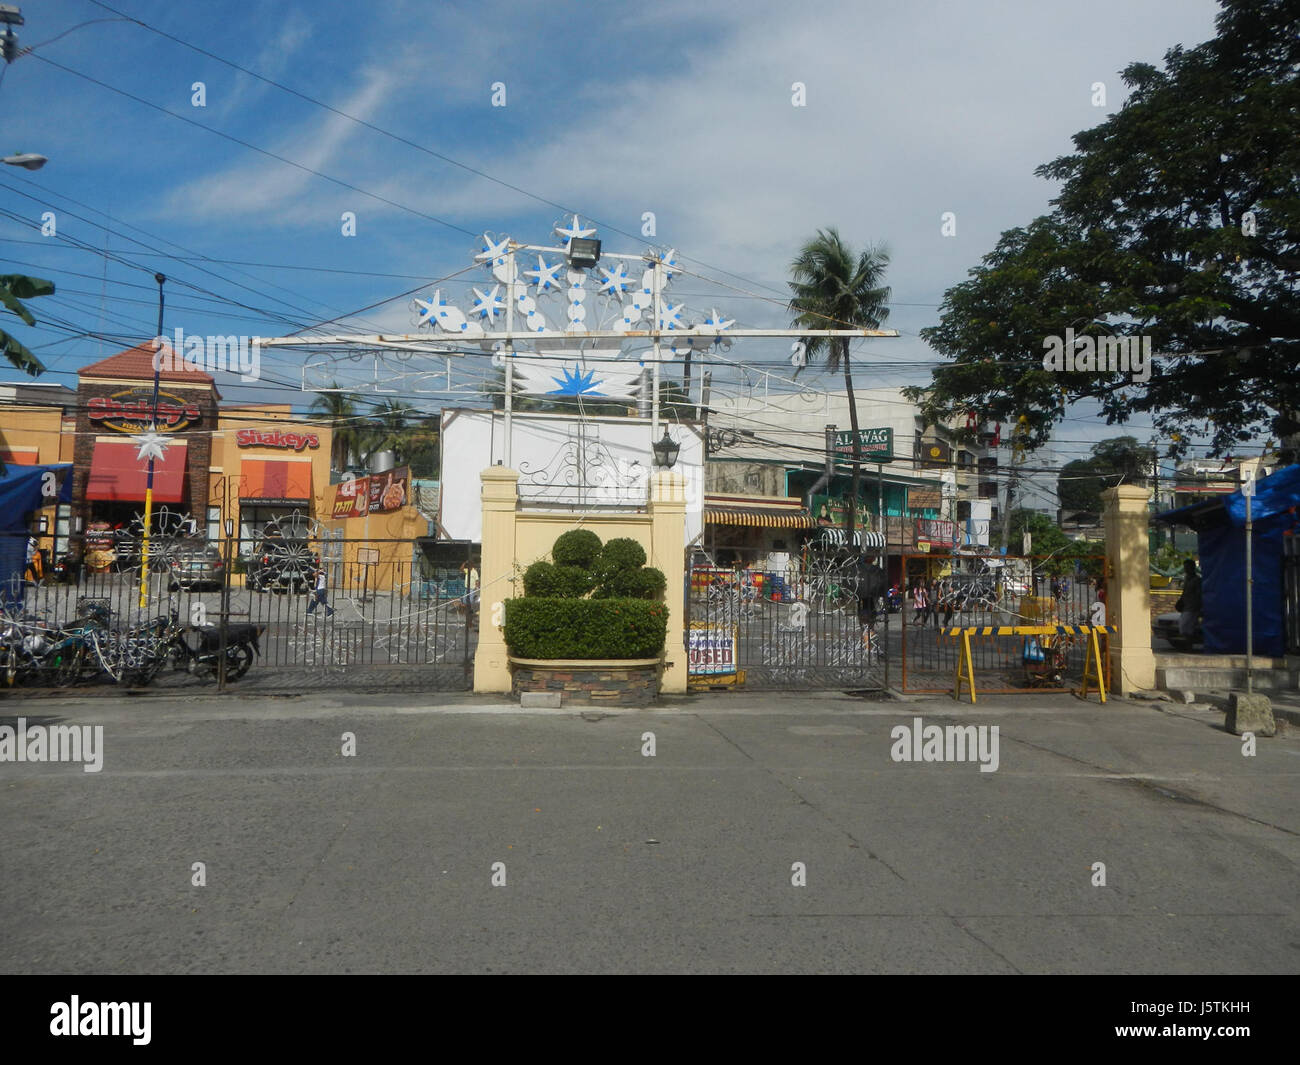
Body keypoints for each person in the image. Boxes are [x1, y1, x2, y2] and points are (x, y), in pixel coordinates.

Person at [1176, 559, 1201, 643]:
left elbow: (1198, 595)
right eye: (1185, 567)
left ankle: (1190, 644)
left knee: (1187, 628)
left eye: (1187, 567)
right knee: (1183, 628)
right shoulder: (1187, 578)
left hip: (1192, 608)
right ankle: (1188, 644)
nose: (1186, 569)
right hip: (1186, 607)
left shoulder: (1196, 580)